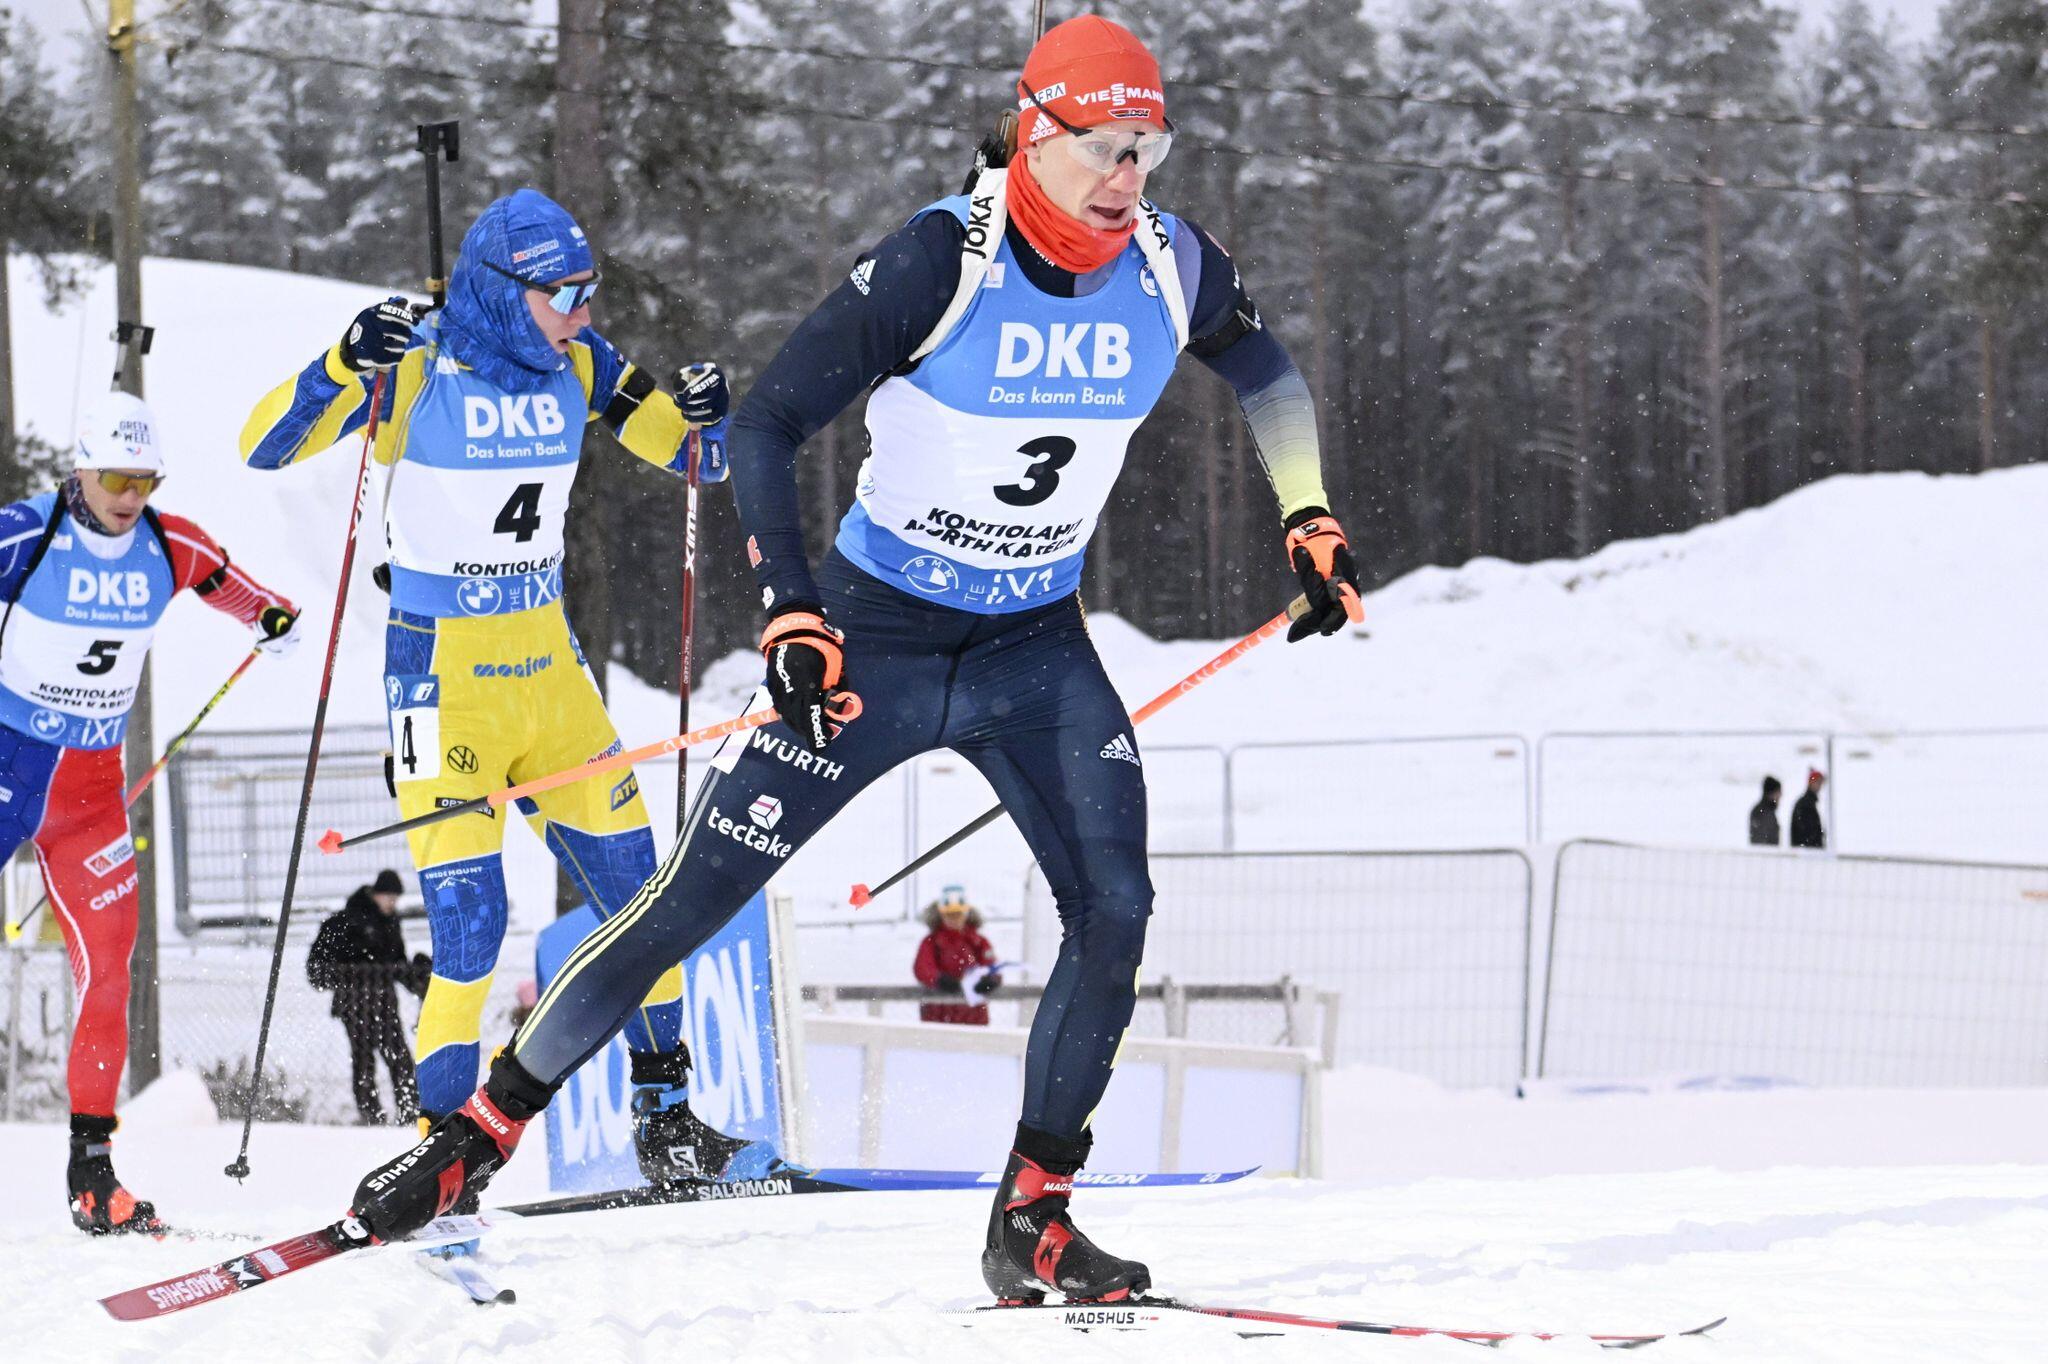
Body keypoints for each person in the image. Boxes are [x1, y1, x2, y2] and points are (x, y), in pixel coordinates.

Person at [347, 15, 1361, 1307]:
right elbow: (768, 423)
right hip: (875, 637)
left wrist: (1305, 512)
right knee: (687, 905)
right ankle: (473, 1141)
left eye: (1148, 147)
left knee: (1115, 909)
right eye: (1107, 147)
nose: (1130, 175)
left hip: (1033, 647)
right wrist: (792, 607)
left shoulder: (1172, 264)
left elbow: (1265, 369)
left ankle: (1035, 1215)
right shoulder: (946, 256)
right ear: (1034, 133)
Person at [239, 188, 747, 1188]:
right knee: (469, 927)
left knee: (648, 896)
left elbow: (693, 459)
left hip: (548, 674)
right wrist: (345, 360)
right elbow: (265, 442)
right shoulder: (420, 361)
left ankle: (666, 1115)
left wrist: (707, 413)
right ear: (503, 291)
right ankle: (444, 1150)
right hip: (440, 680)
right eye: (564, 292)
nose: (583, 311)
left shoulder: (583, 363)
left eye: (589, 289)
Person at [0, 391, 300, 1233]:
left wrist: (271, 618)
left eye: (146, 478)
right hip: (7, 766)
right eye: (116, 477)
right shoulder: (29, 533)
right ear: (81, 469)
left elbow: (234, 585)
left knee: (109, 968)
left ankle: (92, 1176)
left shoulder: (169, 544)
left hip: (91, 796)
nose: (130, 495)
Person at [307, 868, 429, 1125]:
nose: (392, 904)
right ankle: (372, 1115)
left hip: (384, 1002)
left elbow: (396, 962)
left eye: (395, 899)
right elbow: (318, 968)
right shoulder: (347, 921)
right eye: (389, 898)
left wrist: (418, 980)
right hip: (354, 1004)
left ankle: (409, 1113)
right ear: (376, 894)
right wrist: (352, 975)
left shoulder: (390, 922)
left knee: (400, 1059)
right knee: (365, 1060)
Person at [913, 885, 1002, 1025]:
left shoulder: (978, 942)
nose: (954, 919)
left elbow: (991, 965)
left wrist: (991, 979)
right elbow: (923, 967)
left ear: (965, 914)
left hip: (974, 1016)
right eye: (949, 915)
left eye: (958, 914)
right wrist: (940, 980)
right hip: (938, 1015)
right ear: (941, 915)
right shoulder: (931, 942)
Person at [1790, 768, 1826, 849]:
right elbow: (1807, 833)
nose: (1820, 786)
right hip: (1807, 853)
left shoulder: (1807, 803)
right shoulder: (1805, 804)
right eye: (1818, 782)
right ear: (1811, 783)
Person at [1748, 775, 1781, 846]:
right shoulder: (1762, 812)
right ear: (1771, 793)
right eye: (1778, 792)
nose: (1780, 795)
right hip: (1764, 856)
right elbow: (1760, 842)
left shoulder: (1767, 811)